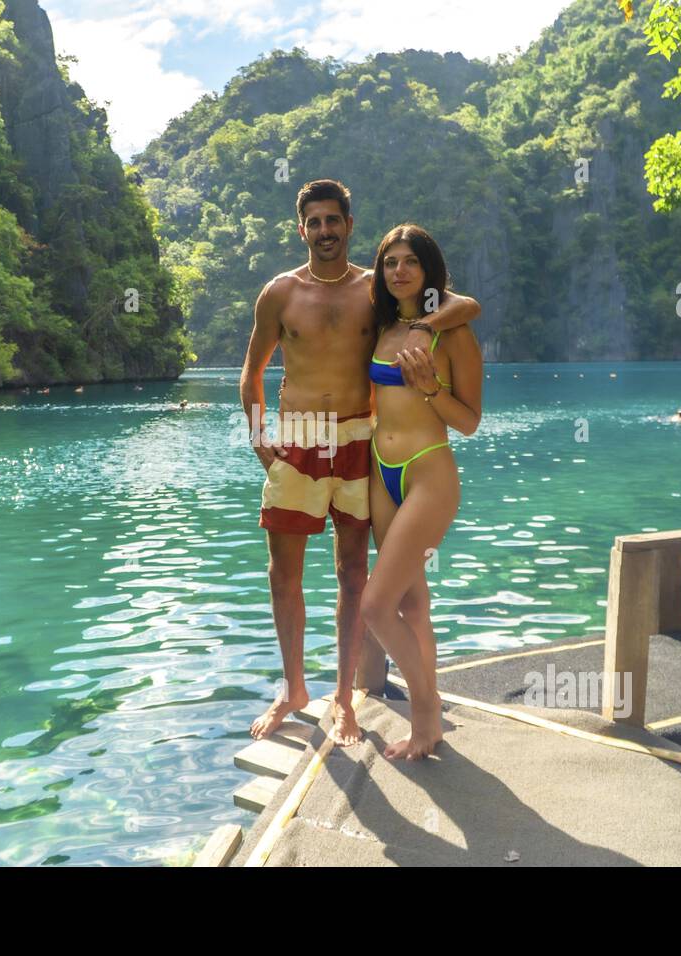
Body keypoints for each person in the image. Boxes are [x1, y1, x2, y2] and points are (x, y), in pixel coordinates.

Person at [240, 179, 481, 745]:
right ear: (302, 230)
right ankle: (295, 688)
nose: (324, 231)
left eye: (334, 220)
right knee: (285, 576)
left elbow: (463, 305)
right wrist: (258, 438)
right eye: (314, 222)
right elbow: (250, 375)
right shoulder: (279, 293)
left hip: (358, 440)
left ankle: (345, 698)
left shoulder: (376, 292)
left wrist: (428, 326)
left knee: (353, 574)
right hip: (297, 439)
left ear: (349, 225)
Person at [362, 224, 482, 760]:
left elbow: (471, 422)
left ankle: (426, 711)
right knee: (411, 603)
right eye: (390, 263)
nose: (399, 272)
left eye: (410, 262)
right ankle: (428, 724)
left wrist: (431, 387)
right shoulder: (382, 328)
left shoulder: (450, 335)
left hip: (428, 473)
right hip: (379, 471)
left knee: (374, 605)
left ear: (428, 269)